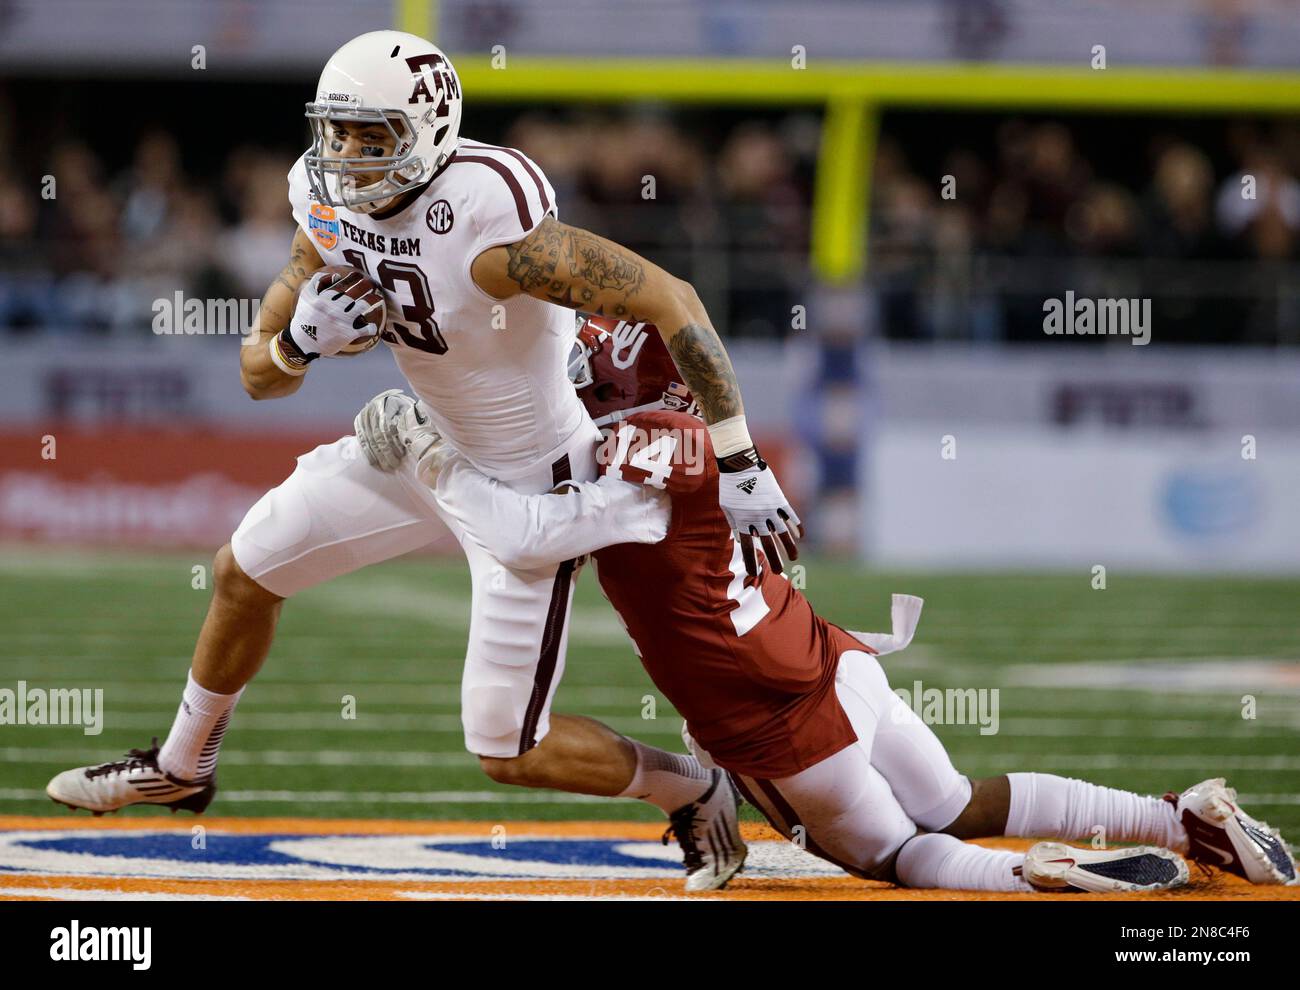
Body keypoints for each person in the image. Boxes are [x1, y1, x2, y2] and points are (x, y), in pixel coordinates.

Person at [46, 29, 803, 892]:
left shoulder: (487, 213)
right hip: (420, 446)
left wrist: (743, 465)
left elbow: (673, 299)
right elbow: (258, 371)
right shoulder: (323, 199)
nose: (348, 158)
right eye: (337, 134)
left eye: (374, 139)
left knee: (507, 750)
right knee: (241, 570)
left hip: (533, 482)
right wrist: (296, 342)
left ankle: (690, 785)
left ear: (429, 132)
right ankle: (183, 765)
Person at [361, 314, 1297, 892]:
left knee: (898, 856)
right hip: (827, 657)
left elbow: (529, 532)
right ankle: (1182, 818)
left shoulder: (634, 452)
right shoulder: (697, 440)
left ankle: (1037, 873)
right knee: (954, 799)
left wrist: (433, 454)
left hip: (768, 714)